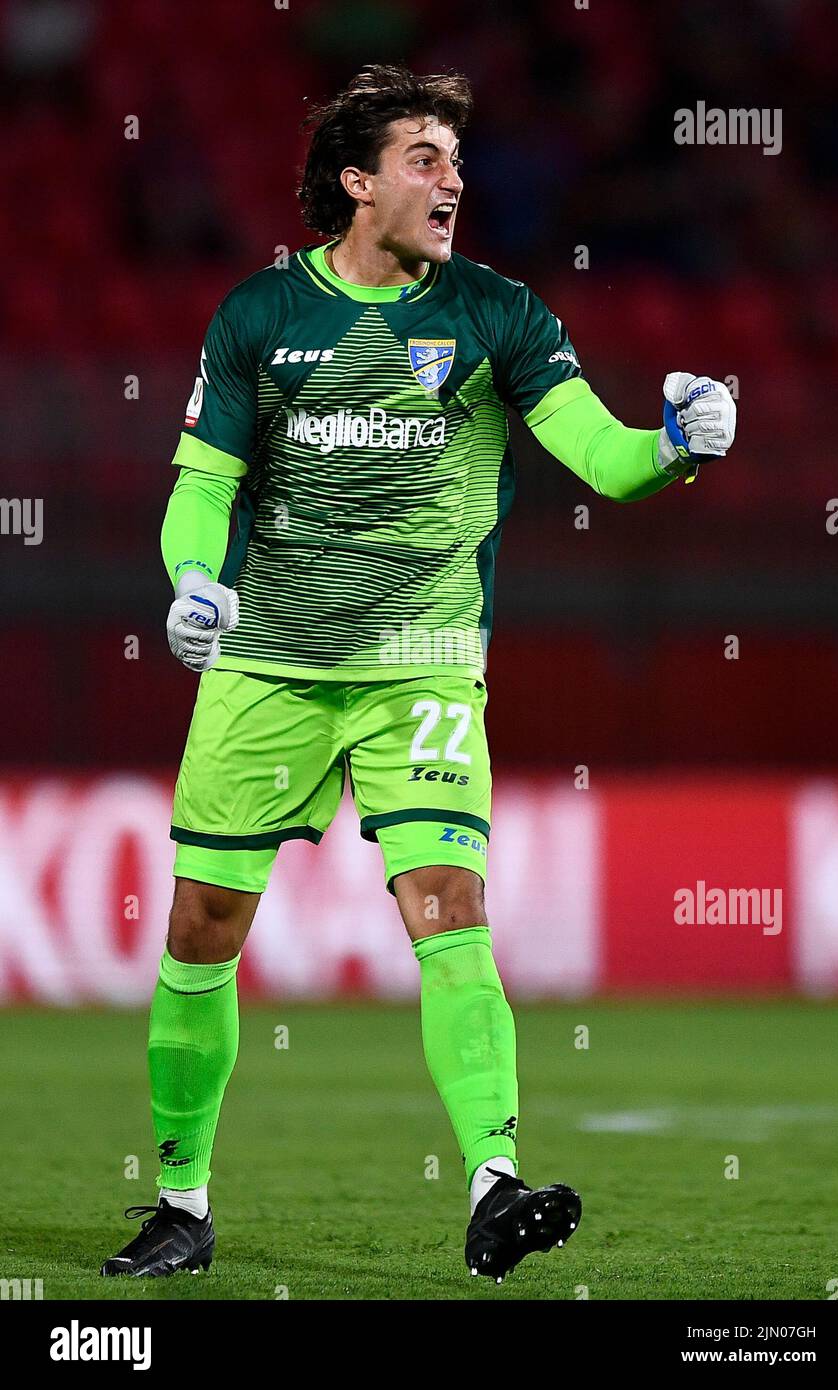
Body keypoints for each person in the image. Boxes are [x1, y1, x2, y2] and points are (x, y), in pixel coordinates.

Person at [101, 63, 736, 1284]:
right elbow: (203, 485)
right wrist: (191, 579)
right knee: (200, 928)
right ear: (357, 181)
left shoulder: (497, 316)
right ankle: (180, 1200)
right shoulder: (258, 318)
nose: (453, 179)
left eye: (455, 158)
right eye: (424, 158)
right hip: (271, 662)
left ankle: (494, 1183)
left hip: (424, 665)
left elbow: (600, 458)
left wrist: (672, 447)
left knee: (448, 906)